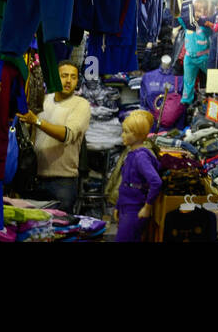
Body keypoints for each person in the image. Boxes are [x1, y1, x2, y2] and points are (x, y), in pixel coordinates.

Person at [18, 61, 92, 212]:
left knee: (60, 230)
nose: (69, 81)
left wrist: (36, 121)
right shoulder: (43, 100)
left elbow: (67, 134)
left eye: (73, 77)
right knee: (33, 230)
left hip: (62, 182)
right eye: (64, 76)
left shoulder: (81, 105)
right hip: (34, 179)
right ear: (55, 78)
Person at [109, 110, 160, 243]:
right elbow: (125, 183)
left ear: (137, 134)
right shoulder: (132, 154)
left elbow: (156, 182)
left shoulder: (141, 157)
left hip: (135, 210)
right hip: (127, 208)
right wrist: (119, 207)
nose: (122, 135)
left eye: (126, 132)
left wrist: (147, 207)